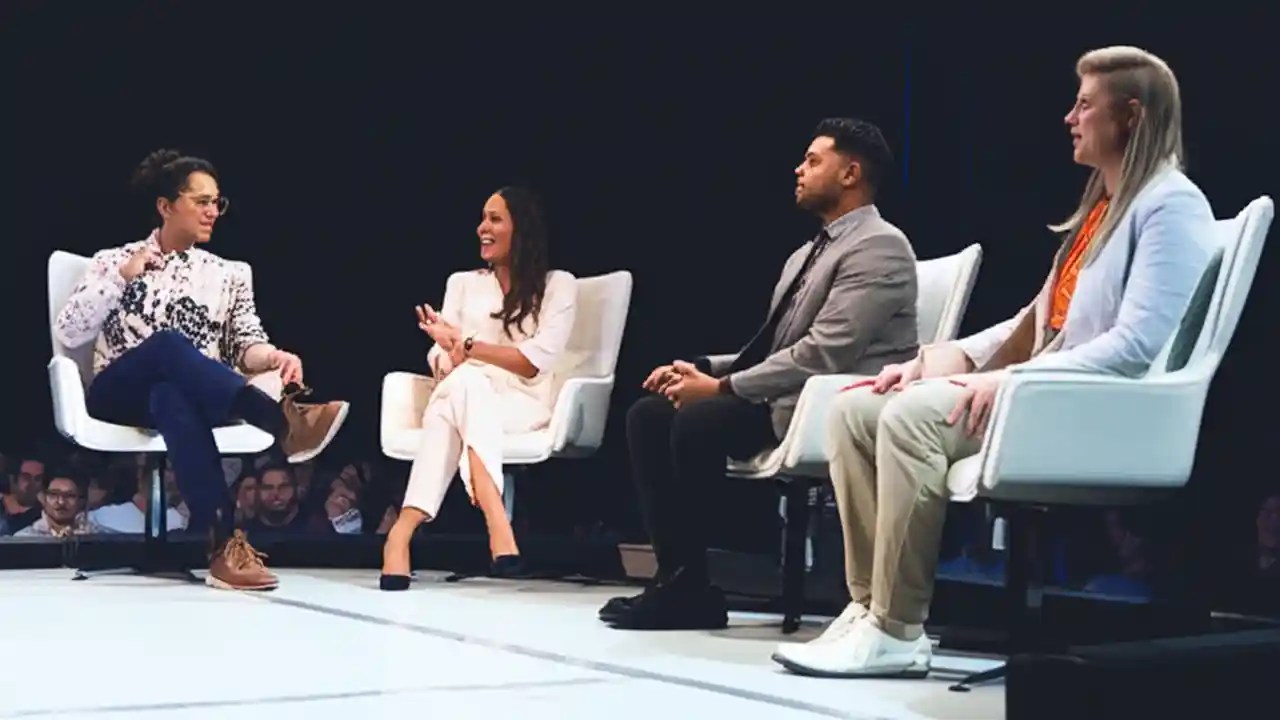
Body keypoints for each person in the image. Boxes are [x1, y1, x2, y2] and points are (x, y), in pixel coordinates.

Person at [773, 46, 1215, 678]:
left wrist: (1012, 379)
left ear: (1131, 116)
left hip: (1091, 407)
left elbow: (1136, 345)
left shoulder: (1172, 205)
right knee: (853, 409)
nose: (1070, 116)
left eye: (1085, 104)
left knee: (909, 420)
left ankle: (899, 629)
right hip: (1041, 390)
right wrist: (939, 360)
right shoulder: (1103, 210)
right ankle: (869, 609)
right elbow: (1034, 322)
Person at [602, 118, 920, 630]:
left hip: (831, 403)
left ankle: (690, 582)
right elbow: (776, 348)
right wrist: (705, 369)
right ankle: (683, 582)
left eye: (814, 160)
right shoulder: (806, 253)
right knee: (649, 415)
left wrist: (721, 388)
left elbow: (825, 354)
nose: (799, 169)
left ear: (851, 173)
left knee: (697, 420)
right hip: (782, 395)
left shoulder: (881, 246)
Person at [53, 149, 349, 590]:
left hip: (194, 397)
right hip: (117, 393)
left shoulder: (229, 274)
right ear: (166, 206)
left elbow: (246, 342)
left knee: (171, 396)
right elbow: (70, 331)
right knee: (168, 347)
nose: (213, 211)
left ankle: (223, 546)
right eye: (202, 201)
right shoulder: (114, 259)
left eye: (217, 202)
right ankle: (281, 419)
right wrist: (122, 276)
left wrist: (273, 357)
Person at [379, 186, 577, 590]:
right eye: (483, 218)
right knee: (464, 385)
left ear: (521, 229)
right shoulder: (462, 283)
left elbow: (532, 360)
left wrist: (465, 346)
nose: (482, 228)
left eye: (495, 219)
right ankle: (498, 527)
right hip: (468, 397)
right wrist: (448, 353)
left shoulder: (559, 285)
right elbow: (440, 357)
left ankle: (401, 535)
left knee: (458, 395)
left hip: (526, 402)